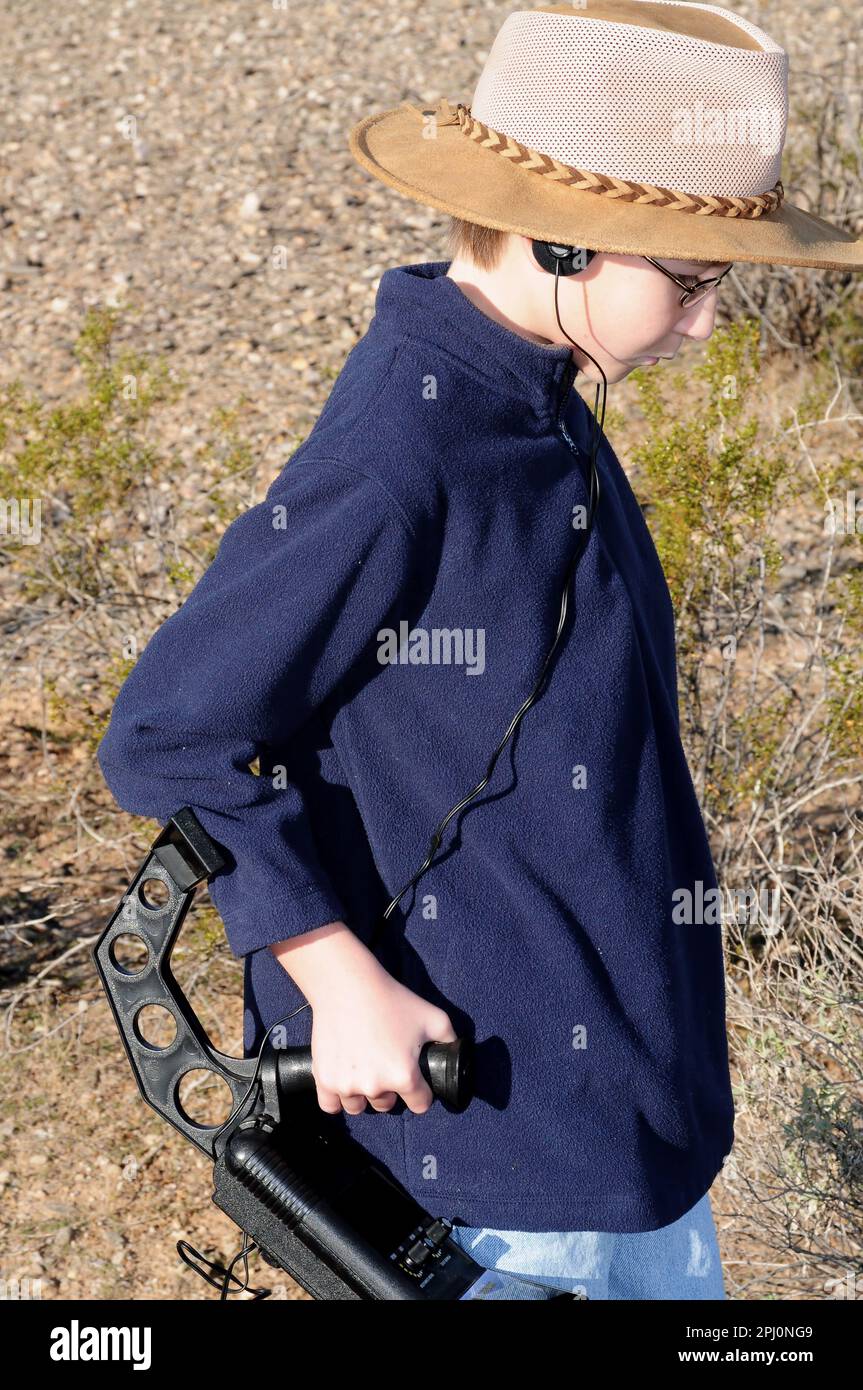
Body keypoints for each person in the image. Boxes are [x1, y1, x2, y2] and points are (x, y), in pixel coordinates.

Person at [97, 0, 863, 1300]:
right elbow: (174, 730)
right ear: (564, 240)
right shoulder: (402, 453)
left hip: (620, 1147)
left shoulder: (543, 397)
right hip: (493, 1190)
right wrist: (338, 983)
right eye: (689, 282)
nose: (709, 325)